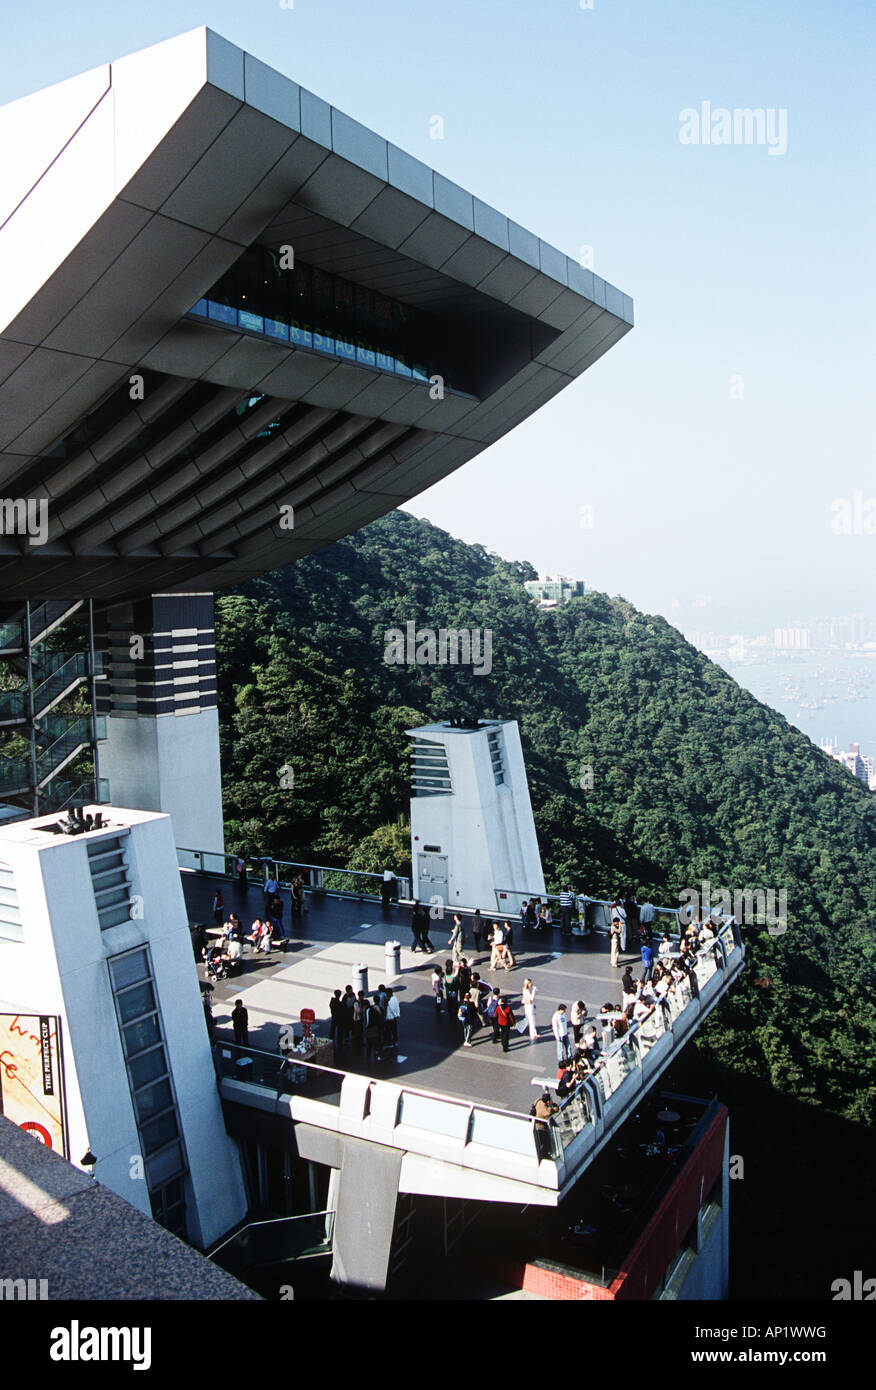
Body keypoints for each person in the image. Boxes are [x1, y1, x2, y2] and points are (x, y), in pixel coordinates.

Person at [365, 994, 384, 1063]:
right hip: (376, 1029)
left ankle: (368, 1058)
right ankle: (378, 1055)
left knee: (369, 1045)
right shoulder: (380, 1009)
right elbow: (381, 1020)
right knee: (377, 1043)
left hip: (369, 1030)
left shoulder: (370, 1009)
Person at [329, 989, 346, 1058]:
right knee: (340, 1030)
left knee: (332, 1029)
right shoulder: (339, 1003)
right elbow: (342, 1010)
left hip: (334, 1017)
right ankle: (339, 1042)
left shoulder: (332, 1001)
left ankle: (331, 1040)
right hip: (339, 1018)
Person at [521, 977, 538, 1042]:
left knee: (529, 1019)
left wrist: (533, 1004)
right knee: (531, 1020)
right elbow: (531, 998)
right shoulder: (526, 991)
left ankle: (521, 1029)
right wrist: (534, 991)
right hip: (529, 1007)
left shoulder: (525, 989)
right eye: (530, 983)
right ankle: (532, 1035)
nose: (531, 984)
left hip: (528, 1006)